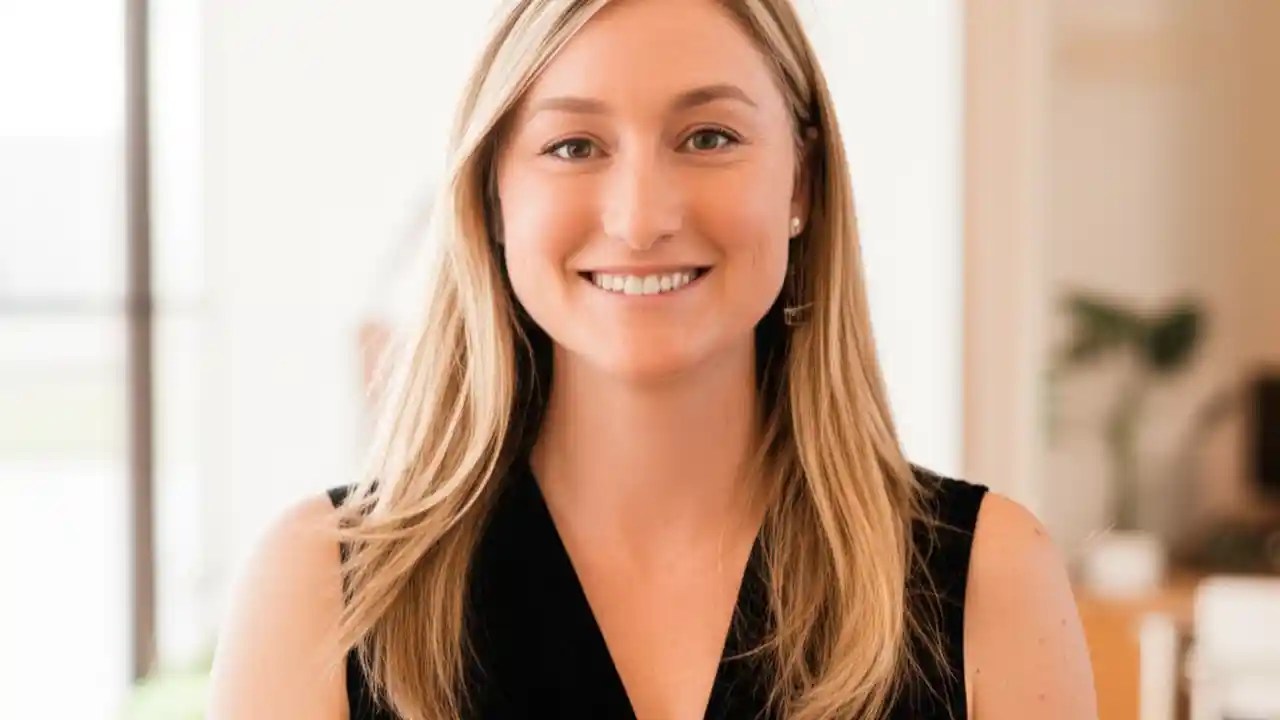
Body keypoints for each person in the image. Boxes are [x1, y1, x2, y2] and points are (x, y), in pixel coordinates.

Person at [208, 0, 1097, 718]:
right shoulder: (322, 592)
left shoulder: (989, 578)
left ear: (801, 184)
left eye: (708, 137)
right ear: (493, 197)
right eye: (574, 146)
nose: (640, 218)